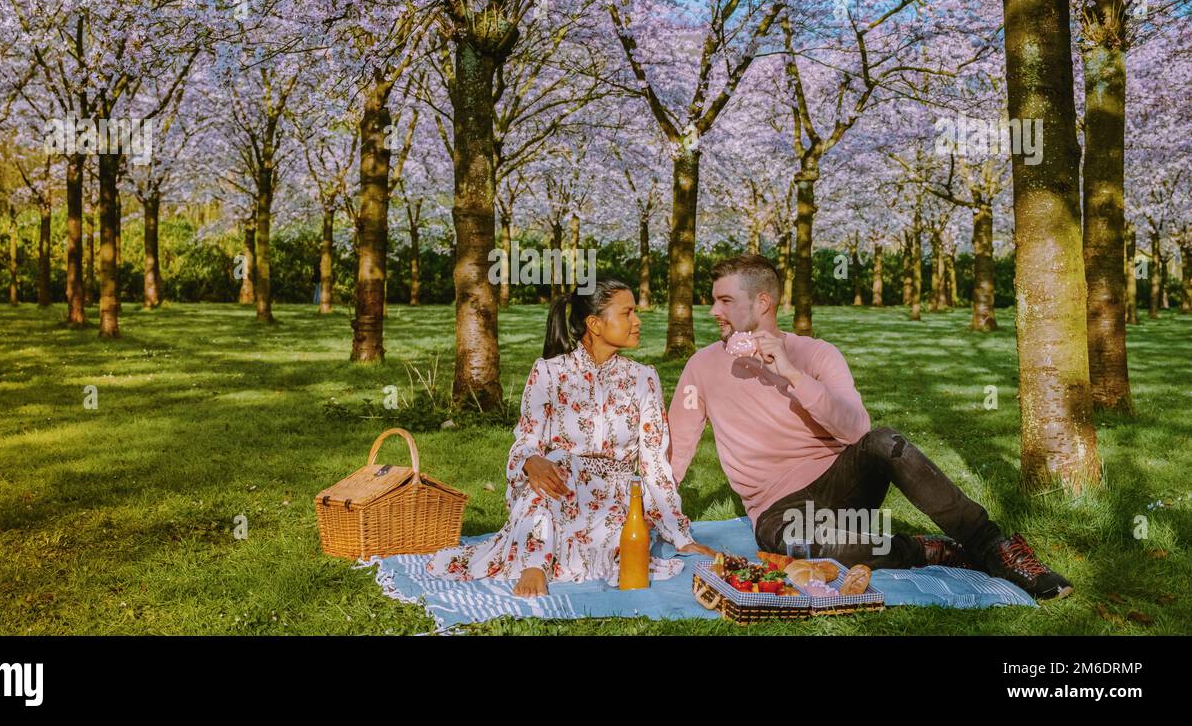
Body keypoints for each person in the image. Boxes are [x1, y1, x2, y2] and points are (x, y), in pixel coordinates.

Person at [666, 254, 1073, 600]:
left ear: (762, 302)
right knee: (798, 545)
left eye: (724, 300)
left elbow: (857, 430)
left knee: (884, 441)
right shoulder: (702, 366)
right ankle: (928, 550)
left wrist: (792, 374)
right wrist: (655, 512)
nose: (713, 311)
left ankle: (993, 547)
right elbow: (677, 445)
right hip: (778, 510)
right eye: (714, 300)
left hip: (842, 486)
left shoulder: (816, 354)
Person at [425, 276, 717, 597]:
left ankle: (573, 555)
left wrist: (680, 537)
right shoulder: (548, 373)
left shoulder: (643, 378)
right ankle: (535, 564)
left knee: (624, 550)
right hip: (558, 489)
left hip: (614, 500)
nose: (637, 321)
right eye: (627, 313)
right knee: (546, 479)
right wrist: (530, 461)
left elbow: (655, 464)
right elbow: (526, 441)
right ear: (595, 324)